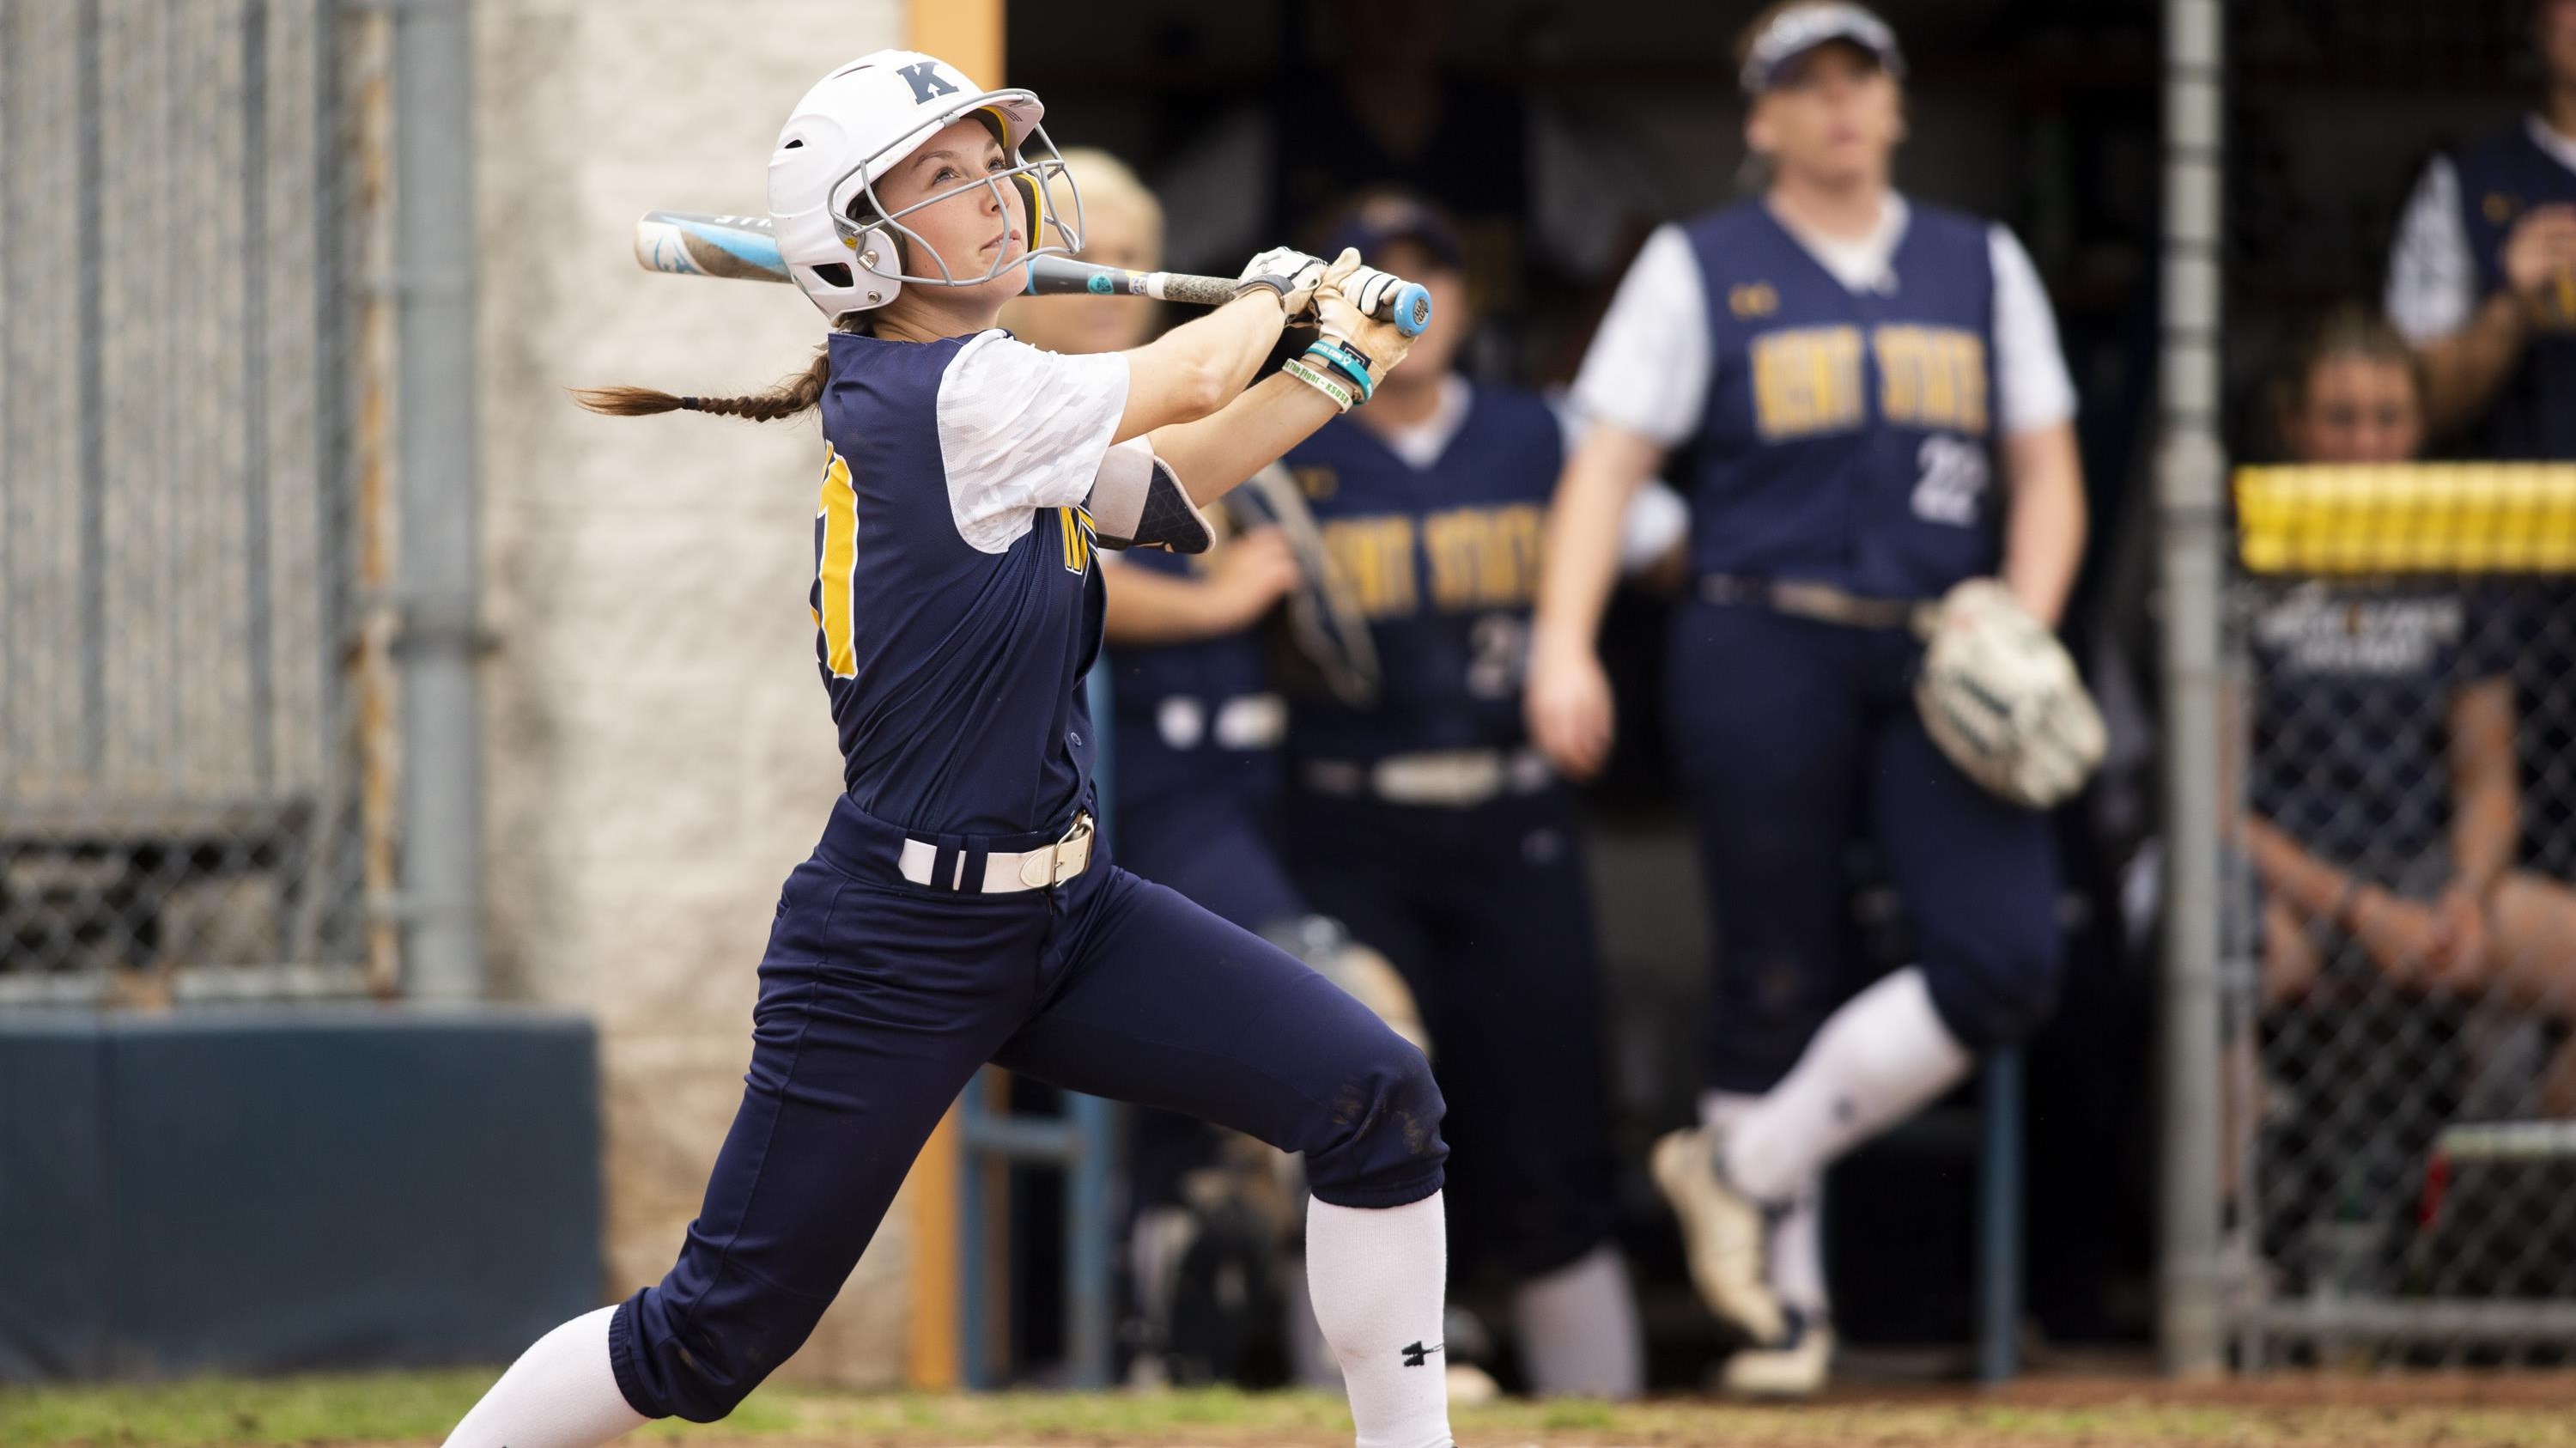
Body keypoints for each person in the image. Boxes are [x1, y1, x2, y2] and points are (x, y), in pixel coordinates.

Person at [434, 52, 1454, 1448]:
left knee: (1374, 1093)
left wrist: (1337, 361)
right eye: (946, 180)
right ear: (862, 243)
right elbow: (1188, 373)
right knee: (710, 1334)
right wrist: (1279, 297)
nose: (994, 197)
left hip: (1071, 914)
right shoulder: (949, 396)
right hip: (898, 943)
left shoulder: (982, 403)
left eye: (992, 169)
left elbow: (1179, 479)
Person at [1523, 2, 2087, 1395]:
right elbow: (1605, 466)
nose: (1839, 105)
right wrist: (1564, 643)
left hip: (1941, 648)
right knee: (1773, 962)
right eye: (1807, 84)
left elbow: (2047, 468)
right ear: (1760, 117)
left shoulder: (1979, 259)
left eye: (1861, 80)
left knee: (2007, 952)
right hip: (1761, 633)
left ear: (1897, 103)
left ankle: (1744, 1167)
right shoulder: (1700, 262)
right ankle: (1785, 1317)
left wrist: (2023, 617)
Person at [1275, 195, 1649, 1400]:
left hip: (1512, 810)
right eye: (1375, 278)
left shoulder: (1544, 433)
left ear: (1469, 296)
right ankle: (1345, 1405)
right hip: (1348, 815)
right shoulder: (1280, 435)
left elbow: (1672, 537)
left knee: (1549, 1118)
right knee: (1354, 1104)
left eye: (1426, 276)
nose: (1406, 302)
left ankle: (1603, 1410)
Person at [2385, 0, 2576, 456]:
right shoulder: (2464, 181)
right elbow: (2410, 408)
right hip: (2515, 494)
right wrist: (2512, 306)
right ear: (2535, 20)